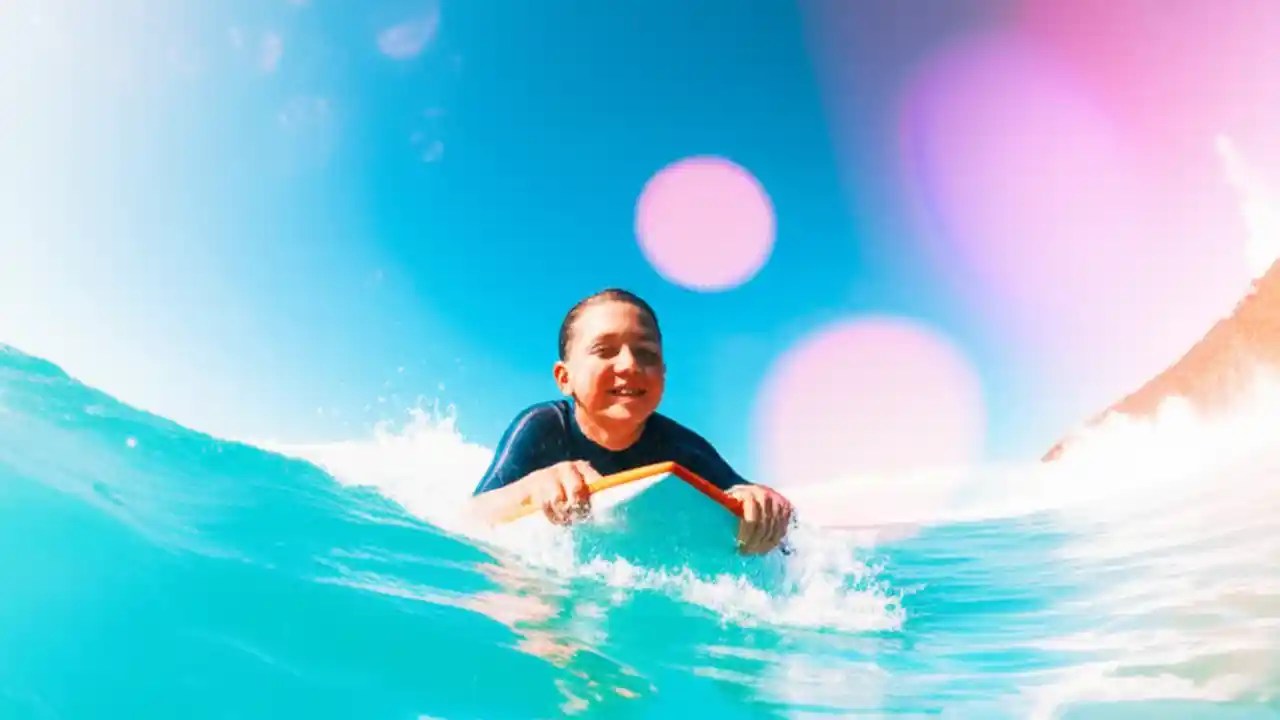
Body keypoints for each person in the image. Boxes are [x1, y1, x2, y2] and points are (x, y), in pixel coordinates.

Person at [469, 288, 794, 555]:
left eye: (646, 354)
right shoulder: (543, 426)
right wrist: (533, 485)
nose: (629, 365)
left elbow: (751, 499)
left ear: (663, 375)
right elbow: (471, 515)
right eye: (605, 350)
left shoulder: (681, 449)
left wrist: (763, 503)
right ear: (564, 377)